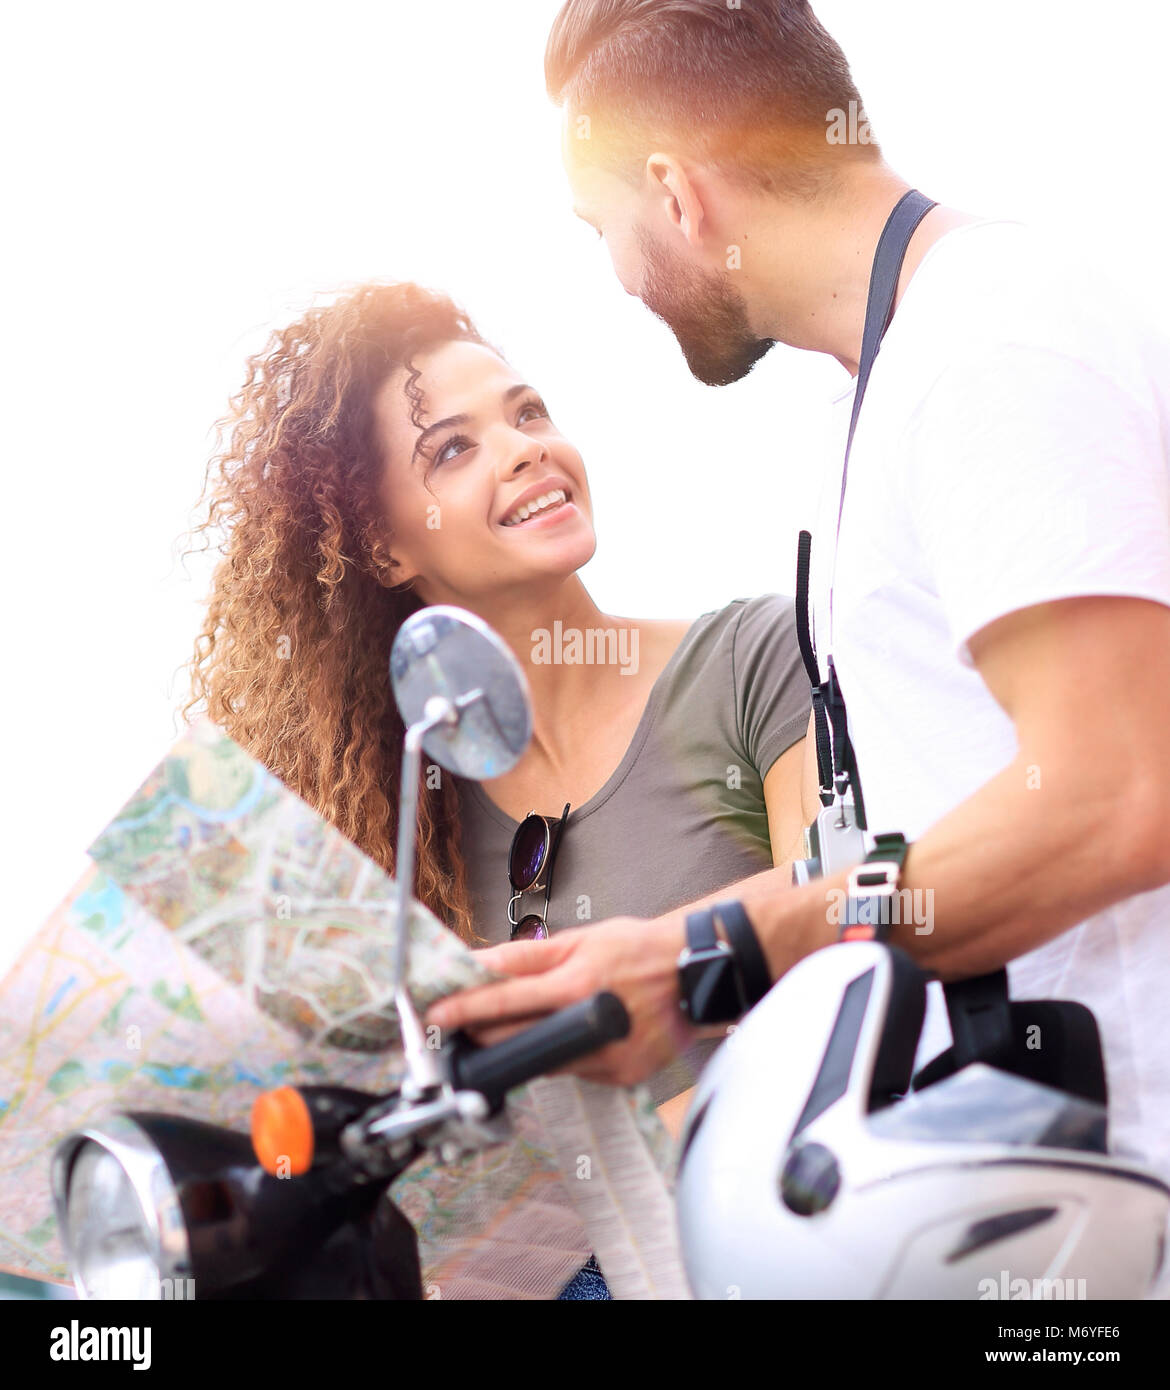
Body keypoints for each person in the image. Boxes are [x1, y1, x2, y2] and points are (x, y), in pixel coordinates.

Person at [425, 0, 1170, 1295]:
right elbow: (954, 826)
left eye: (601, 230)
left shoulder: (985, 342)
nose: (615, 274)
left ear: (675, 192)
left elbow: (1118, 791)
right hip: (1037, 1199)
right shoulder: (887, 390)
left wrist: (721, 944)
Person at [182, 279, 813, 1298]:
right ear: (383, 546)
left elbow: (851, 931)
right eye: (454, 447)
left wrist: (650, 976)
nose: (526, 447)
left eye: (528, 413)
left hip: (785, 1237)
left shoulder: (754, 656)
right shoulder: (392, 822)